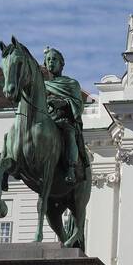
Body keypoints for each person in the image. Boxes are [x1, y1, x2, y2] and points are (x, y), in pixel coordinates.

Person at [41, 47, 87, 184]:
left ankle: (71, 169)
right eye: (48, 60)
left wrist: (64, 103)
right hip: (46, 120)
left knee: (69, 133)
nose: (51, 62)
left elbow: (79, 105)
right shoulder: (42, 85)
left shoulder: (71, 84)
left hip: (64, 120)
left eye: (54, 59)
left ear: (62, 64)